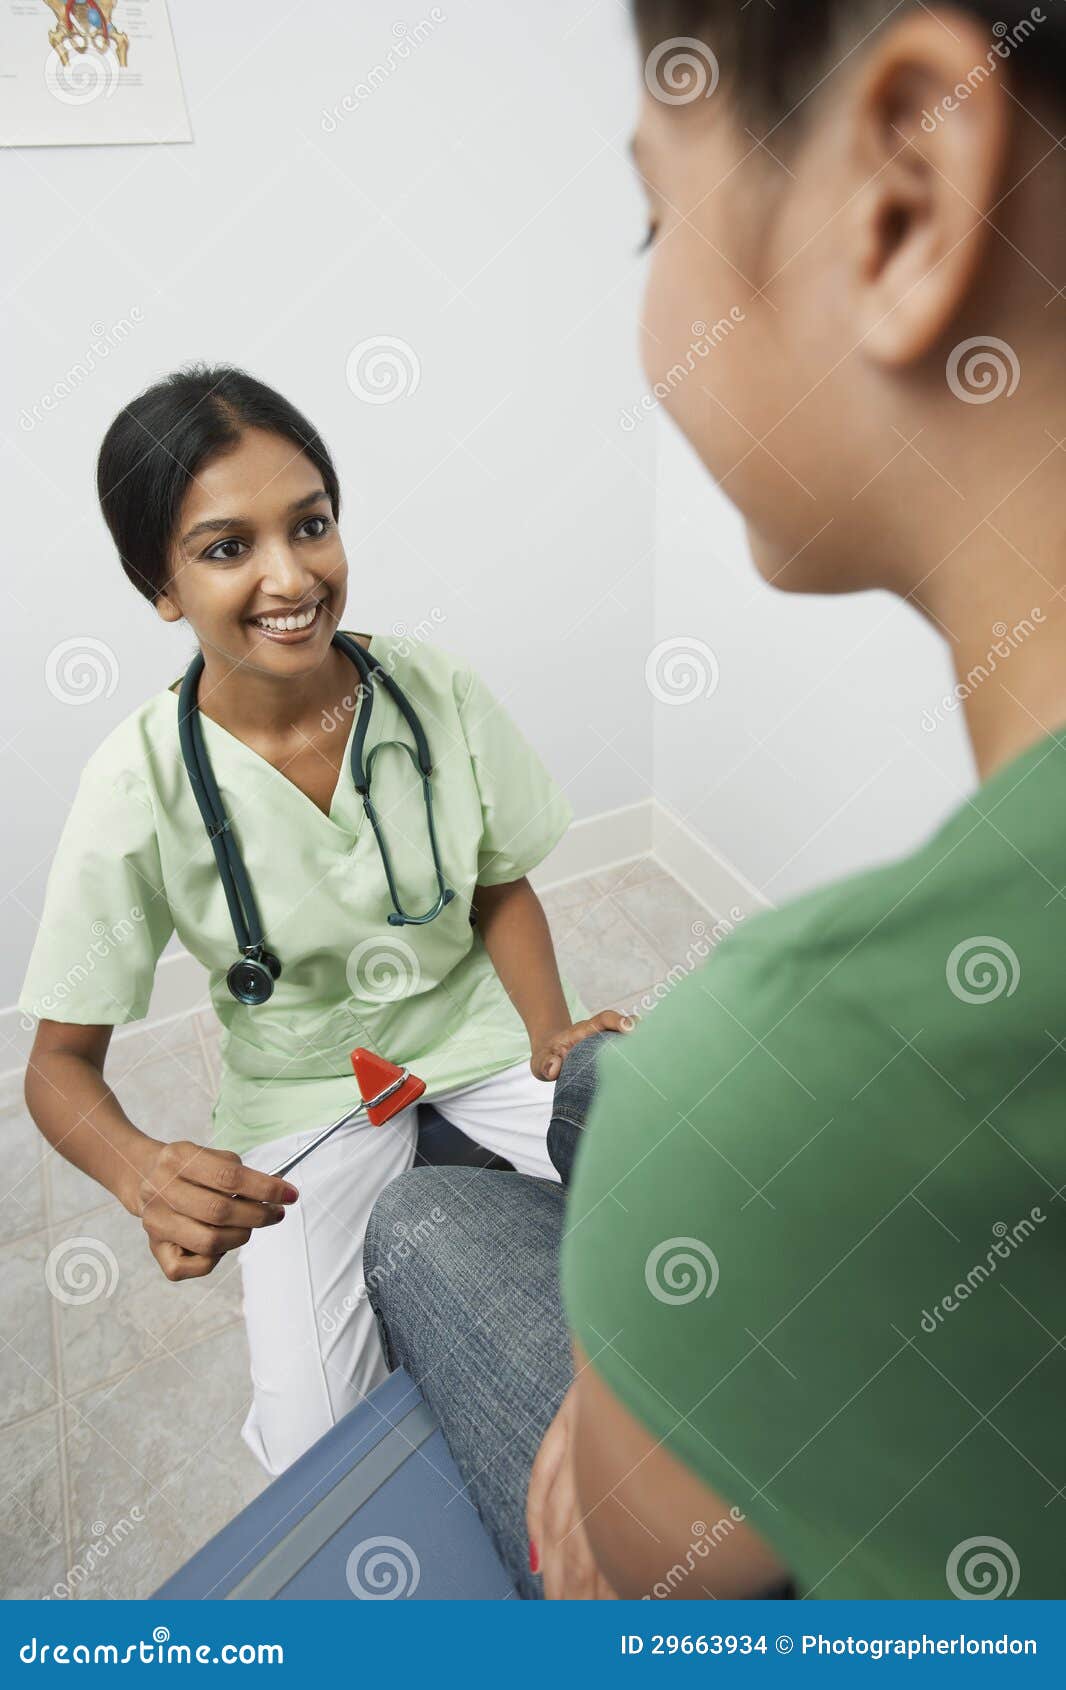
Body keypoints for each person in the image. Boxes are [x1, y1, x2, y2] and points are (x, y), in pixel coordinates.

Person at [365, 0, 1066, 1600]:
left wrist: (625, 1416)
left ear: (900, 199)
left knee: (424, 1224)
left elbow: (630, 1561)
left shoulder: (778, 1073)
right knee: (602, 1084)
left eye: (652, 216)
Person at [18, 364, 627, 1477]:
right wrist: (139, 1169)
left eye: (311, 524)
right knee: (317, 1446)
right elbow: (58, 1066)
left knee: (681, 1210)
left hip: (478, 1033)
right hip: (306, 1089)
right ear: (159, 586)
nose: (292, 576)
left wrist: (551, 1030)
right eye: (226, 548)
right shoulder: (135, 784)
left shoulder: (433, 689)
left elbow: (496, 885)